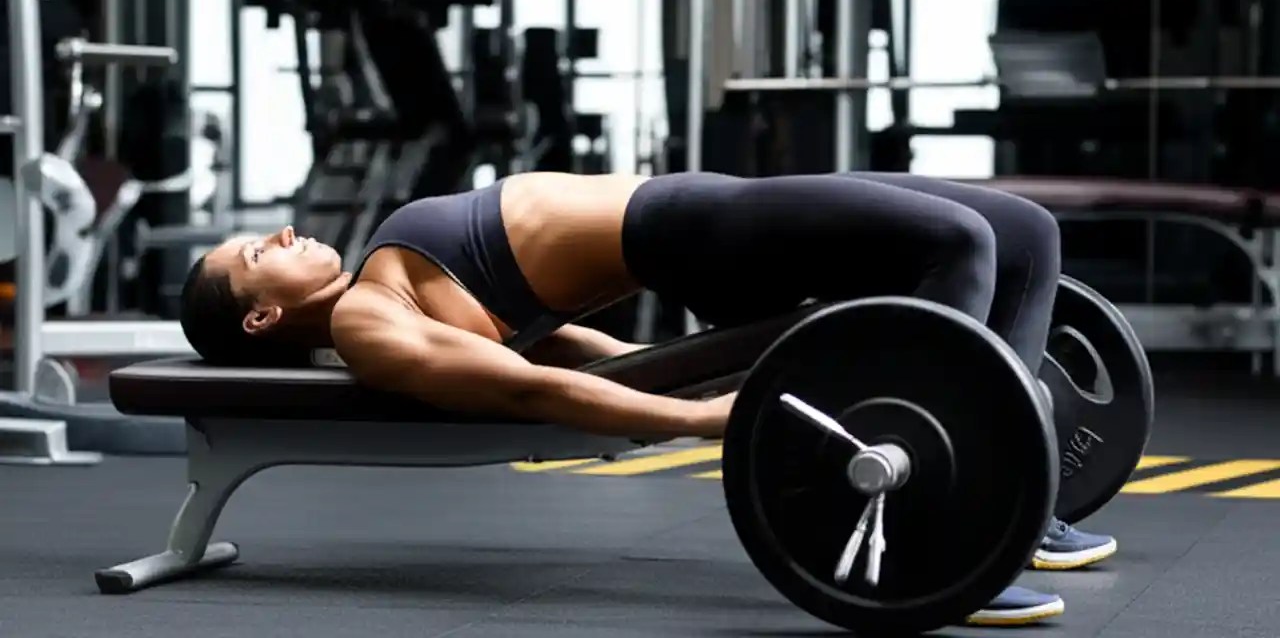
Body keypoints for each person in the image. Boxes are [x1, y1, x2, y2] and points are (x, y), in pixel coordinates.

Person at [180, 170, 1114, 625]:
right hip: (697, 233)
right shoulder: (368, 323)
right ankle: (943, 543)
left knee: (1023, 231)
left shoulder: (384, 291)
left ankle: (1012, 506)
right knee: (961, 243)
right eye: (260, 253)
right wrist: (707, 418)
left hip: (702, 214)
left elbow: (560, 347)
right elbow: (533, 390)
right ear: (261, 317)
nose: (284, 235)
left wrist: (686, 364)